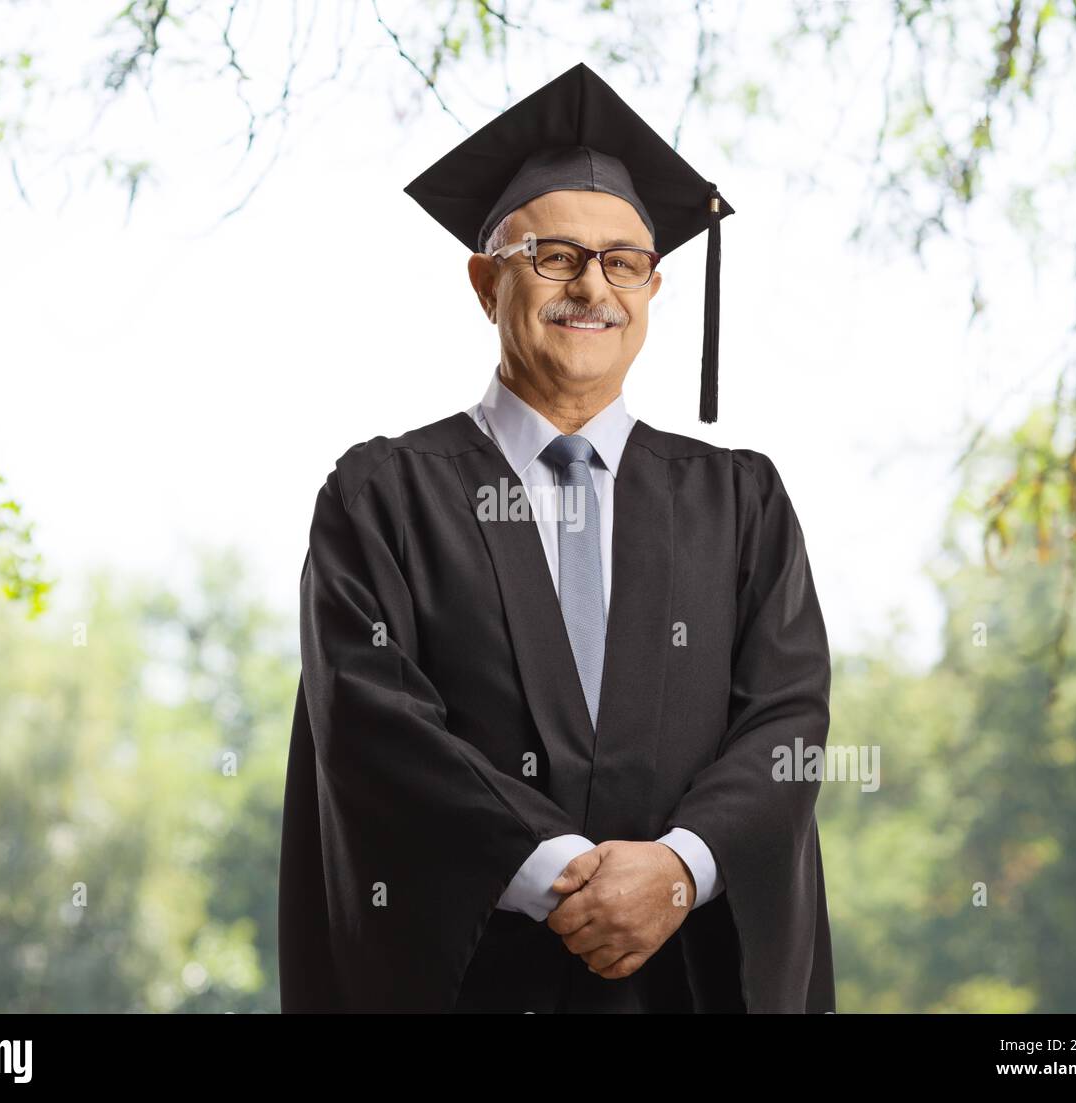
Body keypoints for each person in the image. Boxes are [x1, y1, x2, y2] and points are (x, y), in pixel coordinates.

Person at [279, 62, 835, 1013]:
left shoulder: (740, 501)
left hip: (686, 978)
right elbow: (371, 718)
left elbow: (786, 720)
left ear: (653, 288)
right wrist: (559, 877)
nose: (593, 286)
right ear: (484, 279)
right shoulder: (385, 495)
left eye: (624, 261)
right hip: (475, 979)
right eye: (554, 256)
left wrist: (676, 870)